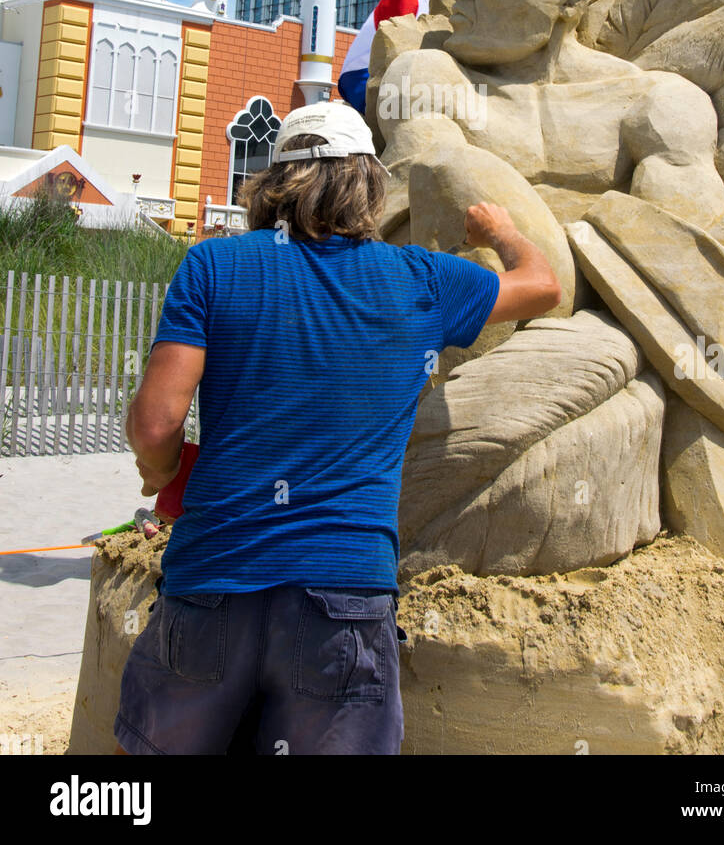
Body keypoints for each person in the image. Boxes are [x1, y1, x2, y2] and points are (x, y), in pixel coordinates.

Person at [114, 98, 560, 756]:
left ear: (271, 187)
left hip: (212, 578)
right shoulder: (422, 282)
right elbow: (543, 283)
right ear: (370, 186)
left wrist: (163, 474)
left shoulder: (214, 266)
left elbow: (156, 424)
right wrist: (499, 230)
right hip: (345, 593)